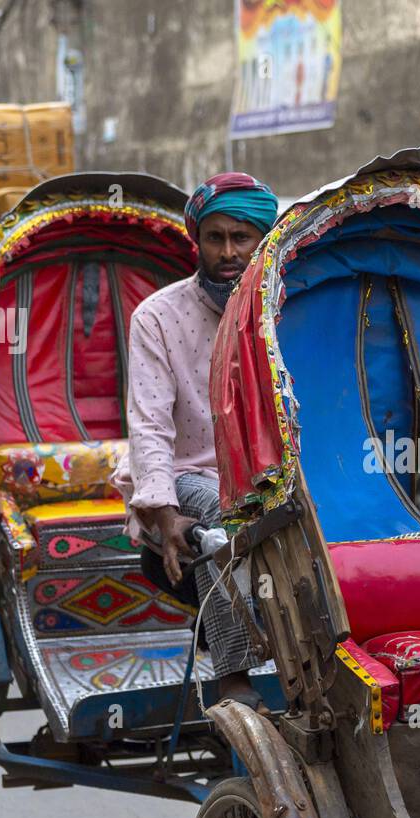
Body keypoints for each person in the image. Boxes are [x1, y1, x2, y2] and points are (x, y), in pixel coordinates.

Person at [112, 172, 279, 708]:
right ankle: (233, 677)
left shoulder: (284, 307)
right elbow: (150, 425)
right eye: (216, 238)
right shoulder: (157, 317)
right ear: (198, 241)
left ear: (262, 240)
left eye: (242, 238)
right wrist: (161, 513)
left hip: (272, 475)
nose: (229, 252)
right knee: (220, 511)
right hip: (189, 478)